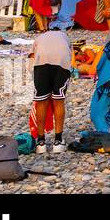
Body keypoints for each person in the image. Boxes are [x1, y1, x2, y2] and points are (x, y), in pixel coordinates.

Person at [31, 16, 73, 154]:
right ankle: (58, 140)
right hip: (61, 62)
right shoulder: (65, 38)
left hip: (41, 63)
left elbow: (32, 57)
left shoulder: (40, 38)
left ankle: (41, 142)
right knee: (58, 101)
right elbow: (70, 57)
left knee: (41, 102)